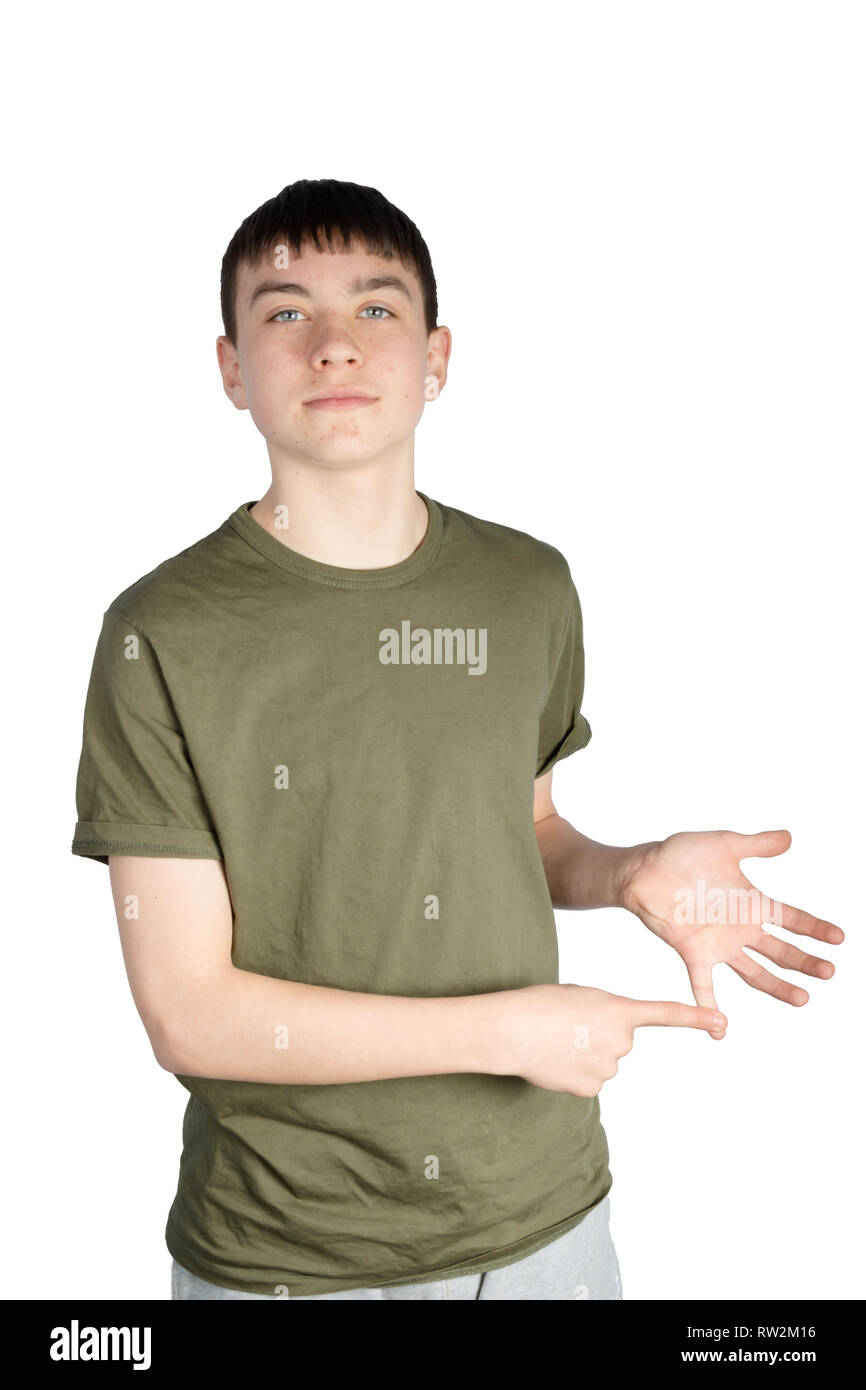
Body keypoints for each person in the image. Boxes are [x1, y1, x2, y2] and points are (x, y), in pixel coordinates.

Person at [71, 178, 843, 1301]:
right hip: (292, 1253)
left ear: (436, 357)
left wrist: (626, 872)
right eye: (285, 313)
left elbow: (519, 828)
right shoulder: (160, 633)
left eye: (375, 309)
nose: (335, 345)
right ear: (231, 368)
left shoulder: (527, 587)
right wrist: (507, 1033)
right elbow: (188, 1012)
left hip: (547, 1222)